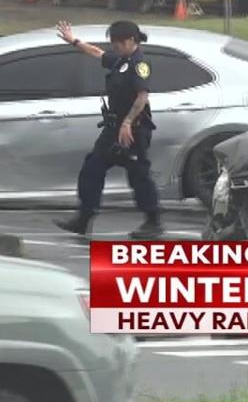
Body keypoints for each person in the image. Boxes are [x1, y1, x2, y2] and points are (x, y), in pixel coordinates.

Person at [53, 20, 164, 239]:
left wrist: (127, 123)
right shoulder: (121, 61)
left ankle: (153, 222)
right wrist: (73, 40)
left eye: (118, 43)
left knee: (139, 175)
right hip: (112, 130)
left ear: (131, 40)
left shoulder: (139, 64)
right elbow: (97, 53)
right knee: (92, 168)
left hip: (133, 131)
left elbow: (142, 97)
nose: (115, 47)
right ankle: (84, 219)